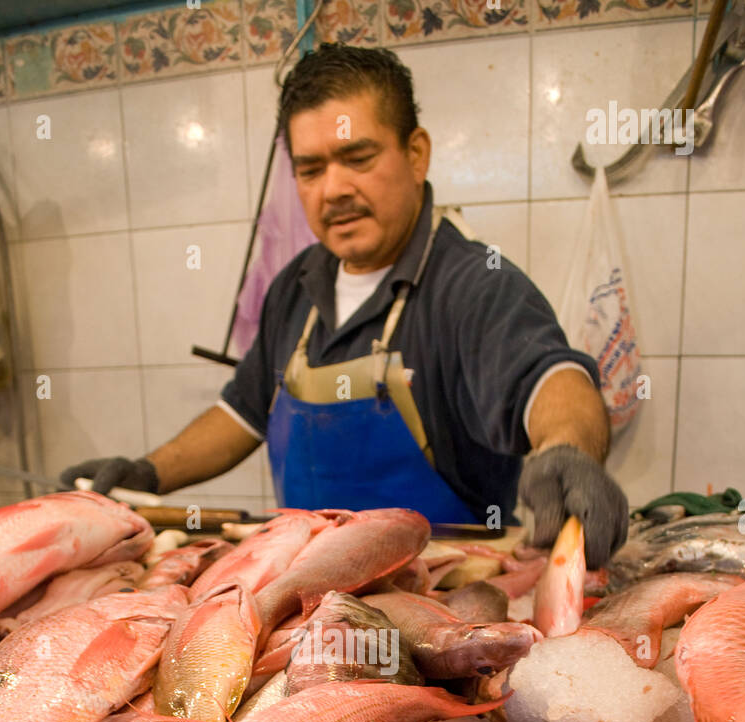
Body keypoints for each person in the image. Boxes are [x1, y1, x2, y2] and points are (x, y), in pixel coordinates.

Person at [60, 44, 628, 567]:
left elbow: (551, 379)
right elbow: (240, 414)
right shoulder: (297, 285)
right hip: (302, 600)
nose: (332, 190)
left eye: (357, 158)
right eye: (310, 169)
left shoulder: (475, 283)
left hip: (437, 615)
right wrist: (147, 474)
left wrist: (569, 449)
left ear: (416, 154)